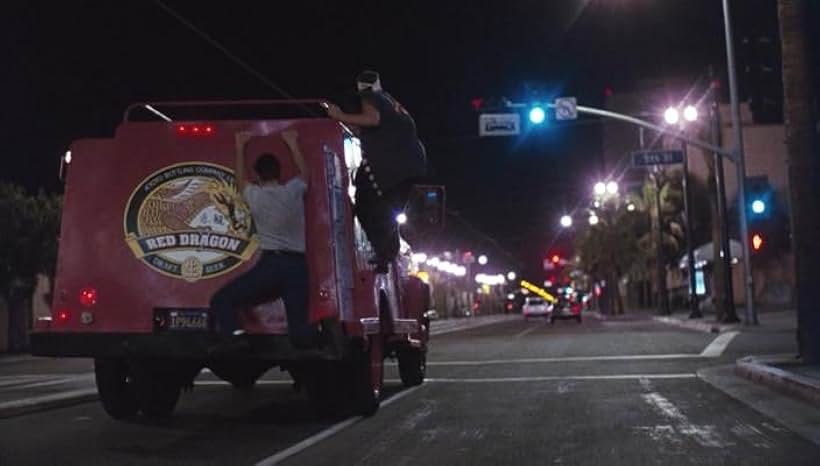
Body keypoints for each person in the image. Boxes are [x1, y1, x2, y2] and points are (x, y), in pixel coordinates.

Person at [209, 129, 317, 350]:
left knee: (222, 299)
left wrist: (240, 146)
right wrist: (291, 142)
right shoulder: (293, 191)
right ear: (279, 173)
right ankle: (321, 348)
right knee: (299, 333)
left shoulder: (254, 195)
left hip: (272, 266)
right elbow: (305, 173)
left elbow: (239, 179)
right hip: (297, 267)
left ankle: (236, 337)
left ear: (258, 176)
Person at [325, 71, 427, 271]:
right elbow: (364, 129)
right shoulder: (391, 103)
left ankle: (384, 252)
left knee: (365, 205)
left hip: (390, 167)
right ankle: (387, 251)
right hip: (410, 167)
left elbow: (372, 119)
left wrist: (339, 115)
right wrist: (341, 120)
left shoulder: (371, 97)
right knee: (384, 210)